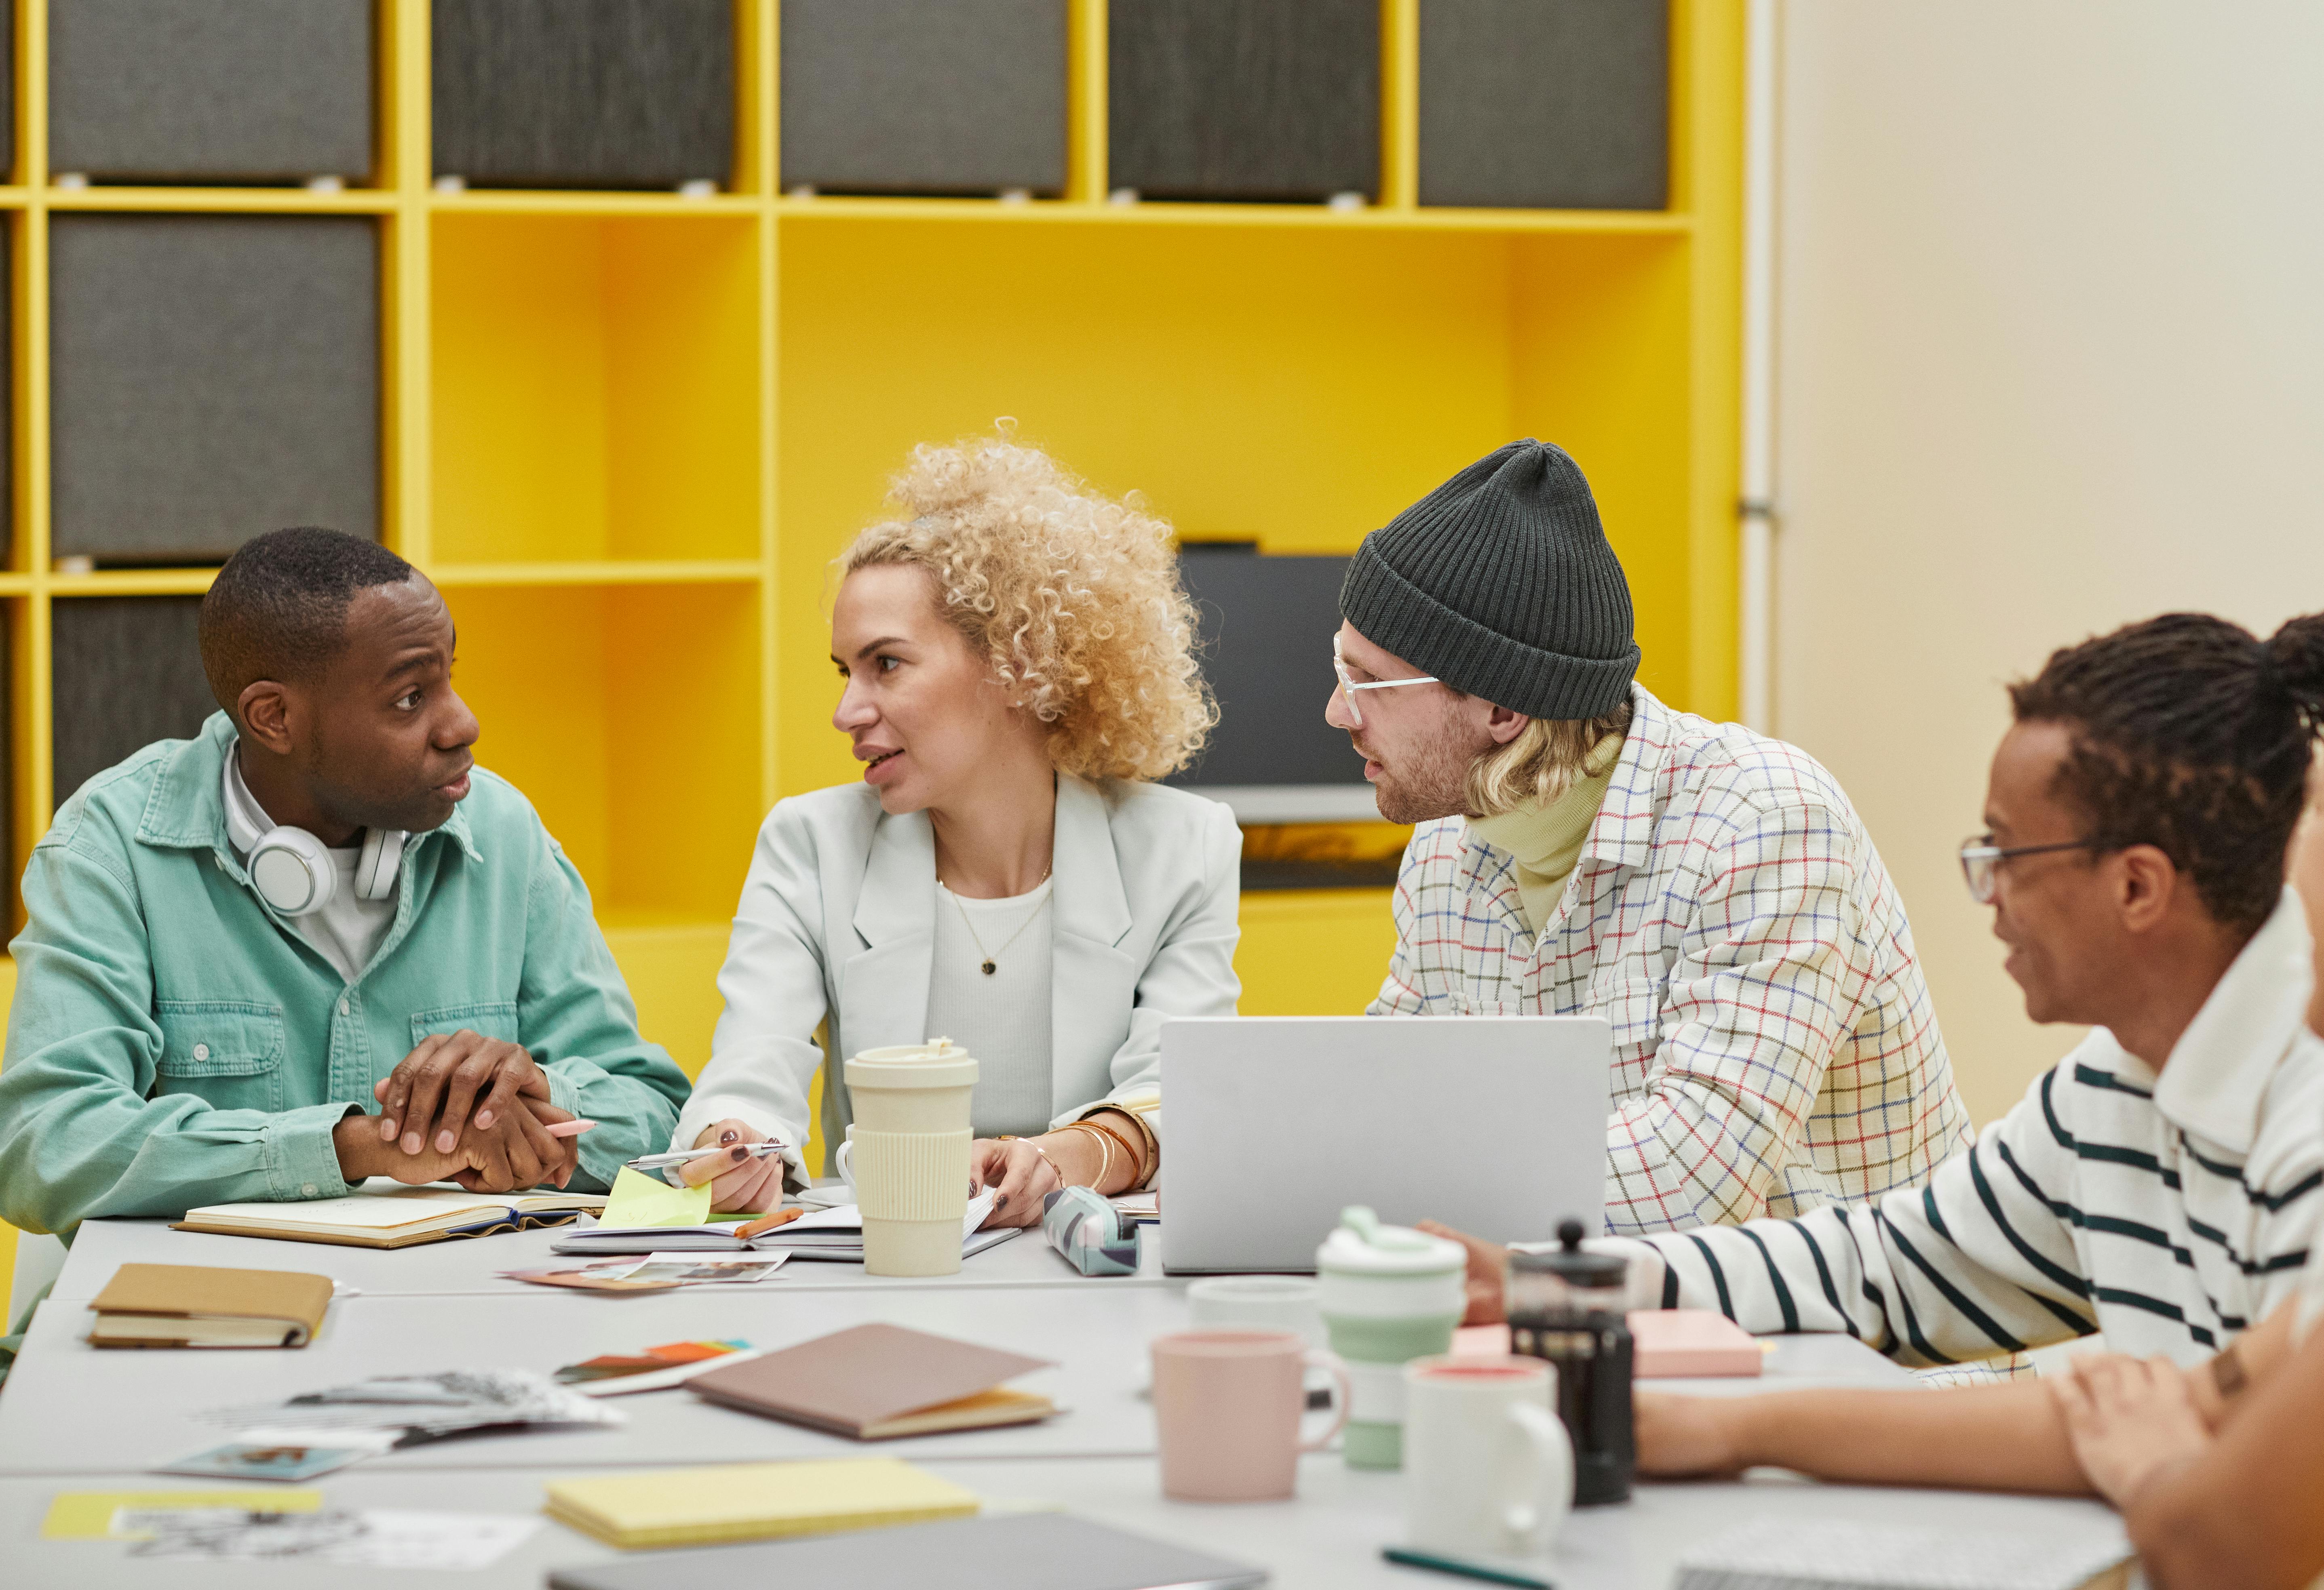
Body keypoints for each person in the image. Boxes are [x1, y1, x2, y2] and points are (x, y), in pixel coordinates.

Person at [1642, 556, 2324, 1585]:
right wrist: (1738, 1423)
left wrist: (2160, 1466)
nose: (2290, 865)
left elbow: (2220, 1545)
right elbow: (2200, 1403)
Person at [1444, 609, 2324, 1369]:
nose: (1986, 891)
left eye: (2007, 853)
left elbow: (2226, 1474)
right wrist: (1561, 1284)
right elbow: (1884, 1265)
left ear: (2136, 885)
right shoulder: (2105, 1094)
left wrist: (1716, 1427)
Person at [1339, 439, 1968, 1234]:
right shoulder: (1447, 848)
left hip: (1850, 1343)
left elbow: (1691, 1178)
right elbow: (1382, 1095)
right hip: (1603, 1317)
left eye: (1370, 682)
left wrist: (1386, 1180)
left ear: (1503, 710)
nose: (1337, 711)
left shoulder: (1764, 822)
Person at [0, 528, 690, 1237]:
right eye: (410, 697)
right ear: (275, 718)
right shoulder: (113, 846)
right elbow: (42, 1146)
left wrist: (540, 1095)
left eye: (451, 675)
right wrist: (362, 1147)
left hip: (459, 1310)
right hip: (219, 1325)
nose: (463, 724)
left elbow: (659, 1120)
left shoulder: (503, 830)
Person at [675, 437, 1241, 1226]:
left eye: (888, 664)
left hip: (1091, 1259)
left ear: (1018, 661)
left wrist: (1066, 1153)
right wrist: (733, 1139)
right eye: (846, 670)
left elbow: (1175, 1090)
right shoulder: (811, 842)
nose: (847, 712)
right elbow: (751, 1062)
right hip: (890, 1257)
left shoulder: (1184, 848)